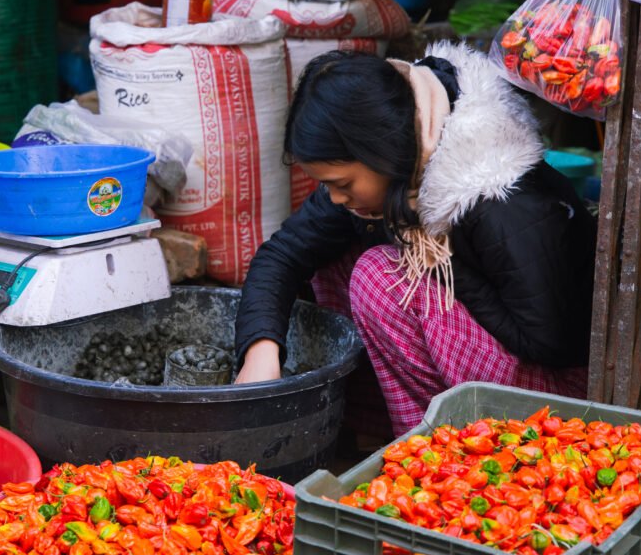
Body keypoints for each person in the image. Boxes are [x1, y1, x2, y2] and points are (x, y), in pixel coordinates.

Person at [233, 43, 595, 434]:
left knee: (379, 277)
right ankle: (369, 427)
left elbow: (549, 343)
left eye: (343, 184)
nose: (336, 197)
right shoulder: (402, 163)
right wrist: (260, 351)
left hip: (555, 400)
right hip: (488, 348)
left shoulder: (500, 199)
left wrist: (441, 264)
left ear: (378, 151)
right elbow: (283, 254)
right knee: (331, 251)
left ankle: (439, 442)